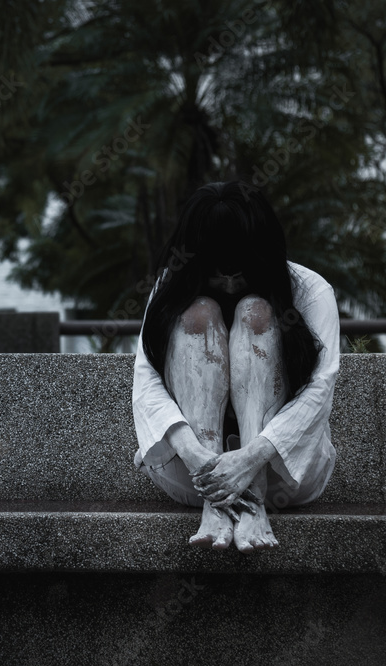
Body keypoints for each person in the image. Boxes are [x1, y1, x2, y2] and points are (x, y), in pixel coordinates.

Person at [131, 180, 340, 553]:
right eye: (217, 275)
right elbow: (146, 383)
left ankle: (253, 497)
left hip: (283, 477)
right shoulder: (170, 289)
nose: (228, 286)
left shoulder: (310, 291)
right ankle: (215, 506)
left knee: (255, 312)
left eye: (239, 274)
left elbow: (319, 391)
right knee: (198, 314)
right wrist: (202, 464)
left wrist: (250, 460)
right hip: (192, 476)